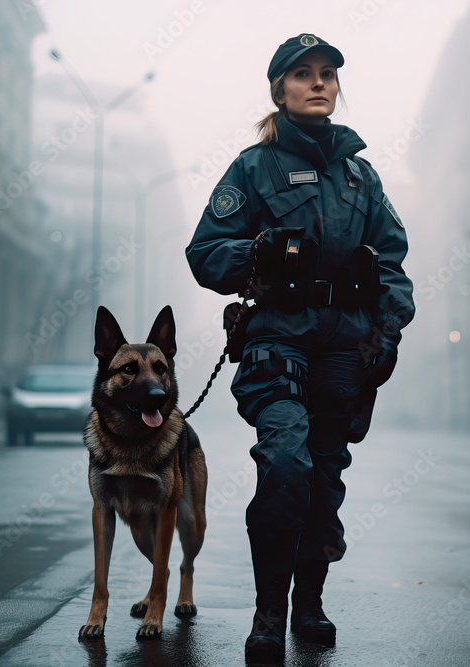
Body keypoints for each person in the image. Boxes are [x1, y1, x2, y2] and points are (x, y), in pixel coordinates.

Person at [185, 33, 415, 663]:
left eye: (328, 75)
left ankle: (309, 603)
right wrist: (255, 255)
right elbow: (204, 254)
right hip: (277, 343)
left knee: (323, 477)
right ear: (279, 90)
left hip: (345, 349)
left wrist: (387, 328)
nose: (318, 83)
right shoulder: (253, 168)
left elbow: (392, 257)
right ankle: (269, 612)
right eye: (303, 74)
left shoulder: (360, 176)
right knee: (286, 465)